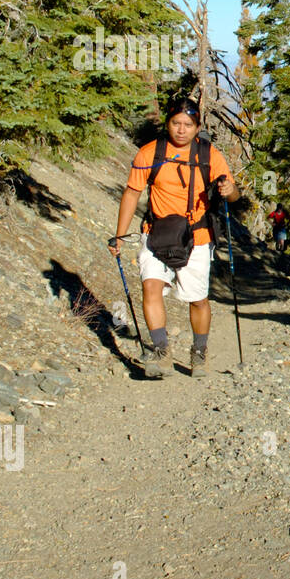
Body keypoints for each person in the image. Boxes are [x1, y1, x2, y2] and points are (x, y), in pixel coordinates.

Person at [108, 98, 240, 378]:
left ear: (197, 127)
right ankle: (161, 351)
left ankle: (199, 353)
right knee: (151, 287)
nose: (181, 130)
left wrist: (229, 189)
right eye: (176, 123)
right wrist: (120, 234)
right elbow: (132, 192)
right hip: (155, 233)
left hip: (197, 235)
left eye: (188, 125)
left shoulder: (208, 155)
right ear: (168, 123)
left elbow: (233, 193)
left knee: (198, 299)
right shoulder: (150, 153)